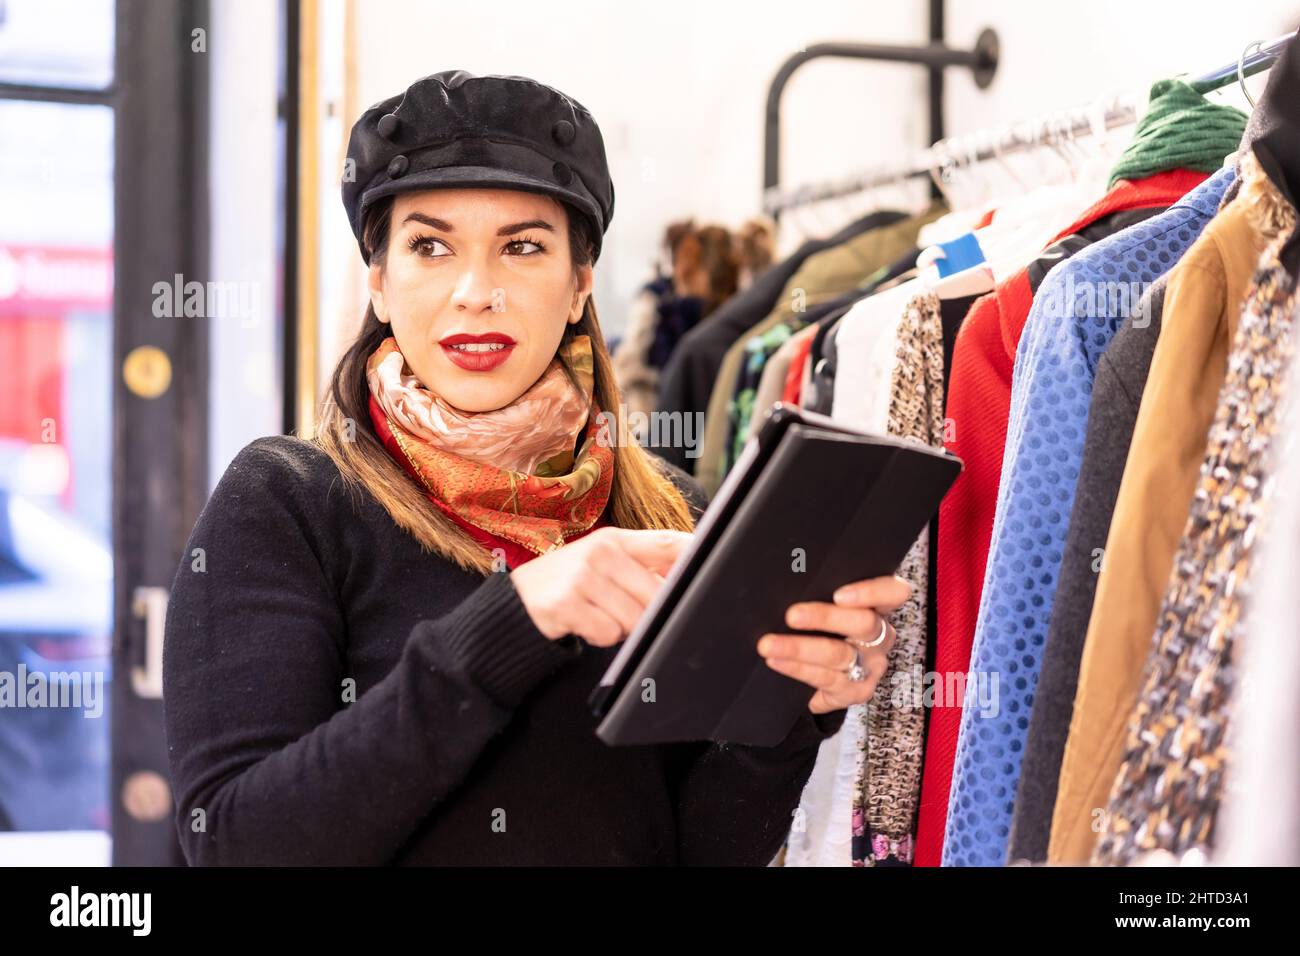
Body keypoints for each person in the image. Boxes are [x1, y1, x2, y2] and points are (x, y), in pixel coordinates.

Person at [161, 69, 909, 866]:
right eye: (429, 246)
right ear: (379, 283)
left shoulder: (676, 519)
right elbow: (237, 843)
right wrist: (516, 620)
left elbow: (693, 851)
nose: (477, 291)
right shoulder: (289, 502)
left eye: (522, 247)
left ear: (580, 281)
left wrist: (785, 712)